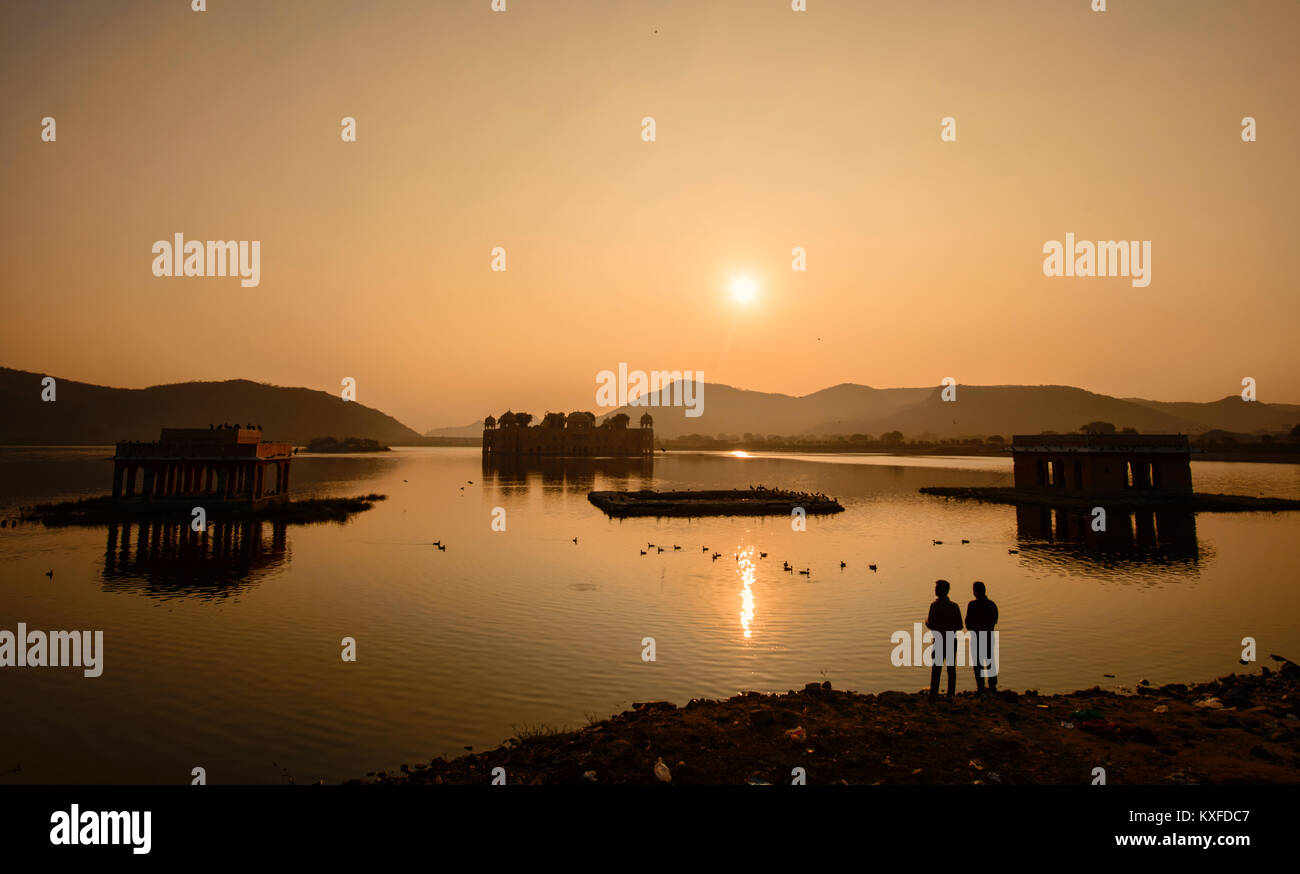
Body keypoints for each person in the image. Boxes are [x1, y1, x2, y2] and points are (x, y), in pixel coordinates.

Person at [925, 579, 963, 700]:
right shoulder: (954, 606)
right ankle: (950, 694)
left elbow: (931, 624)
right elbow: (959, 626)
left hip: (939, 641)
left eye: (936, 588)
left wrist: (927, 623)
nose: (935, 590)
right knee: (951, 669)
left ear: (940, 590)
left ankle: (934, 693)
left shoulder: (934, 606)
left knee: (936, 669)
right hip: (951, 640)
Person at [965, 581, 999, 693]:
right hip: (989, 636)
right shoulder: (992, 604)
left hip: (976, 637)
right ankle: (992, 686)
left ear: (975, 592)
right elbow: (994, 620)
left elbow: (968, 623)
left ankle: (980, 686)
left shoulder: (972, 605)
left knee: (978, 663)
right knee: (990, 661)